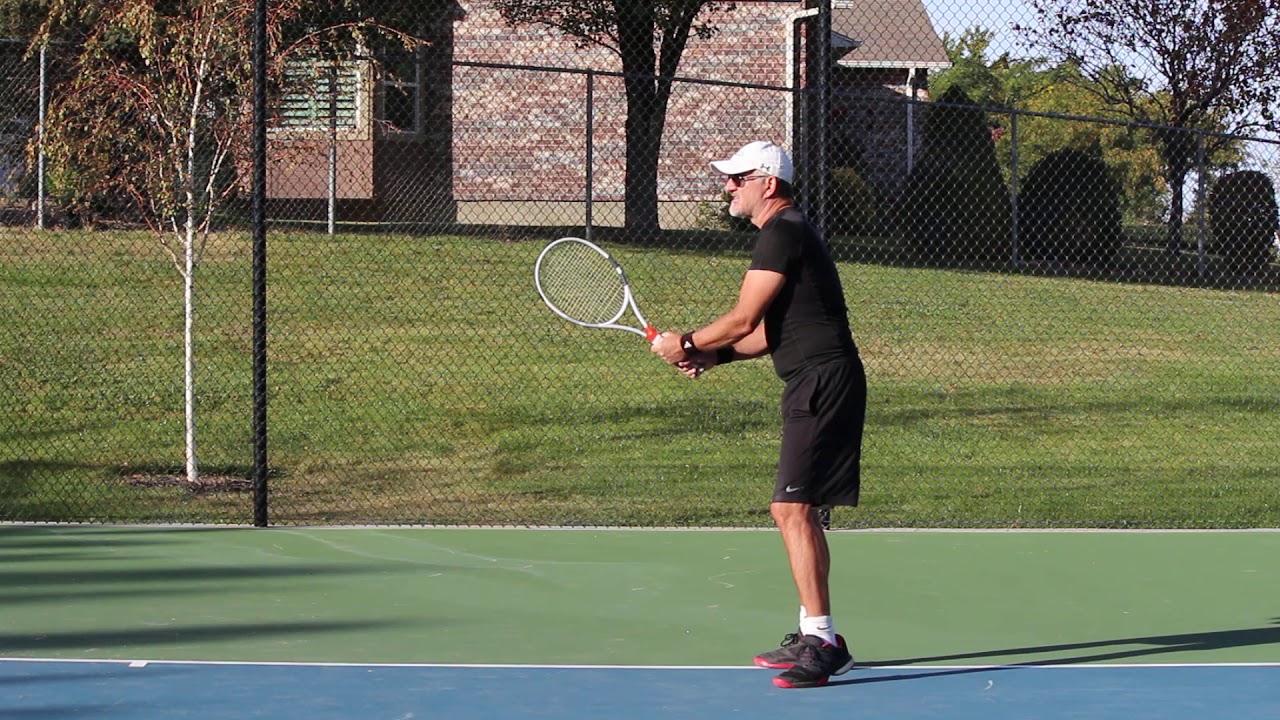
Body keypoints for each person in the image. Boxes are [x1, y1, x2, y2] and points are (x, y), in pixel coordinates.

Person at [651, 140, 866, 689]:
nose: (728, 186)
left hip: (821, 381)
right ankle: (814, 633)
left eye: (737, 178)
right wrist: (711, 355)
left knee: (790, 507)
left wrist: (686, 340)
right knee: (798, 508)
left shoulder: (782, 230)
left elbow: (745, 317)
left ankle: (822, 641)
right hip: (817, 378)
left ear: (767, 183)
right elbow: (771, 330)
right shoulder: (789, 230)